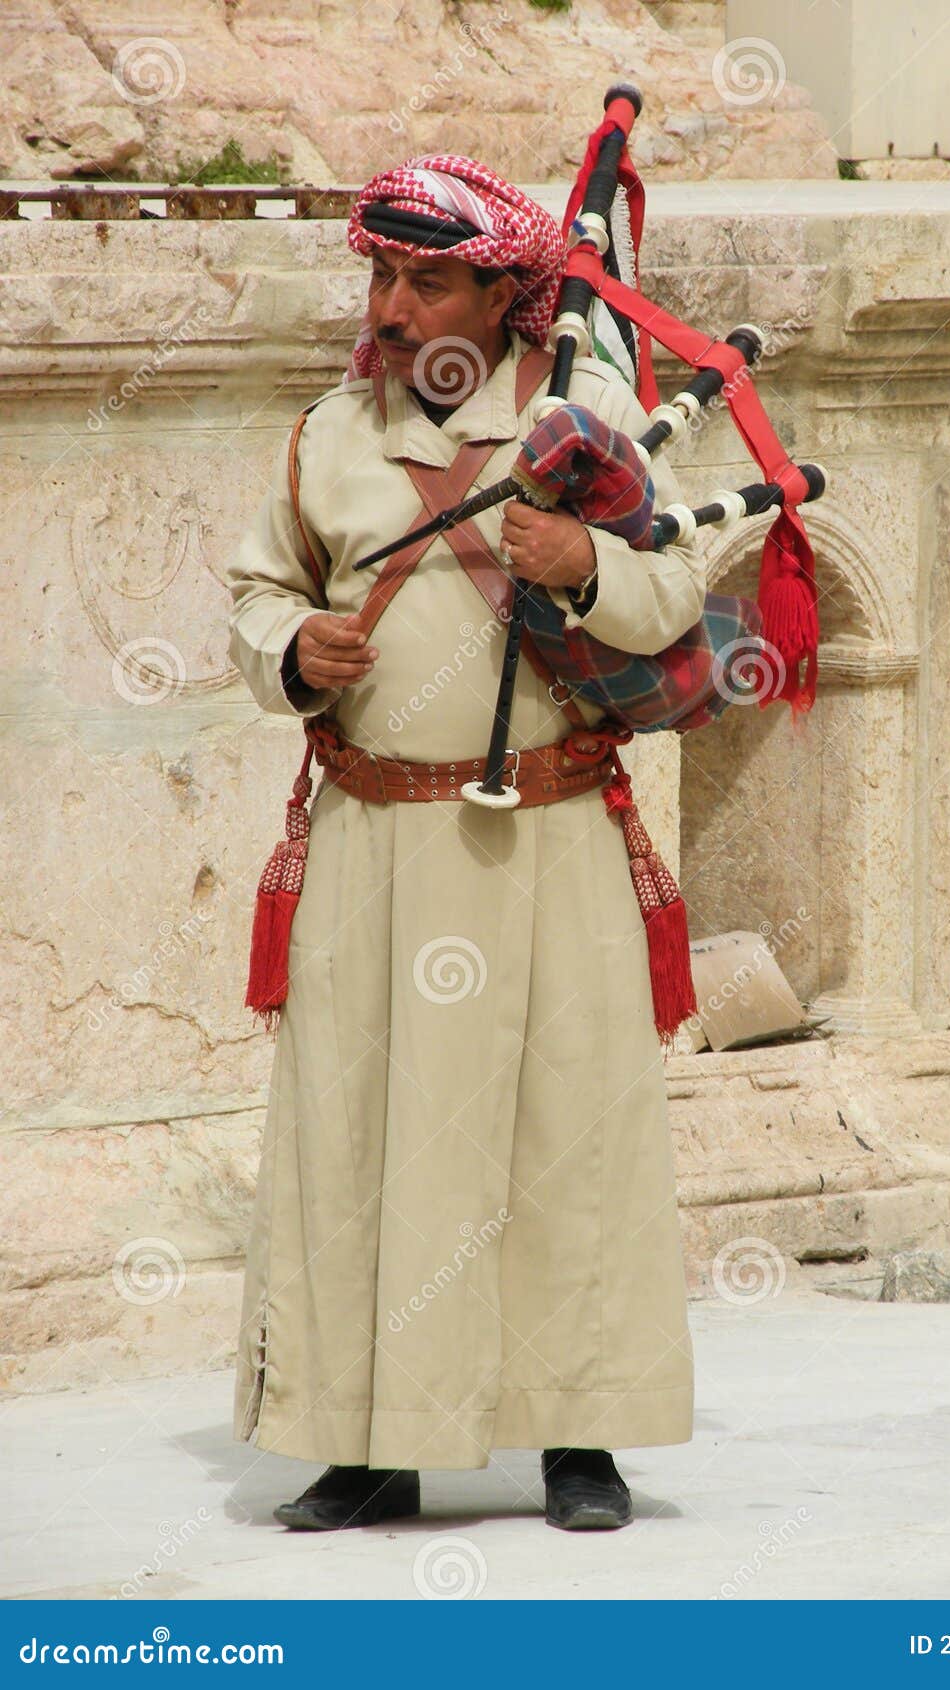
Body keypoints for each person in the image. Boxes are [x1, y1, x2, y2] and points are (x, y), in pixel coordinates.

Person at [225, 156, 704, 1533]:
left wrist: (587, 567)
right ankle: (366, 1438)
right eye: (379, 275)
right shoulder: (330, 434)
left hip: (548, 838)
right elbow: (262, 586)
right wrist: (290, 652)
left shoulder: (591, 422)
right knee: (360, 1141)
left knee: (571, 1138)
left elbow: (677, 590)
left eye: (424, 277)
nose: (390, 304)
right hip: (371, 846)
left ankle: (580, 1435)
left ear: (502, 292)